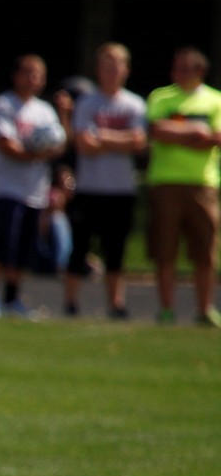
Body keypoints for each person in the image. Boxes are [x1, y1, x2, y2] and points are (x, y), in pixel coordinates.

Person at [55, 43, 146, 319]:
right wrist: (121, 139)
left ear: (126, 70)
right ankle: (70, 303)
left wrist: (103, 137)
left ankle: (116, 303)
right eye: (106, 66)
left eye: (116, 66)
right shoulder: (87, 103)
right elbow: (84, 144)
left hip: (120, 189)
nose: (111, 72)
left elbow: (139, 142)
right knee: (79, 247)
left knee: (115, 251)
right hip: (89, 188)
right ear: (98, 70)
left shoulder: (134, 104)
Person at [0, 54, 68, 319]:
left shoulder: (45, 111)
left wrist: (65, 115)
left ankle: (11, 299)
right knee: (4, 244)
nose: (33, 79)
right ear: (16, 75)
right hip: (8, 188)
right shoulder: (3, 105)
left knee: (22, 249)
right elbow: (6, 143)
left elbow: (59, 144)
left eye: (38, 74)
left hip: (35, 191)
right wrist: (35, 153)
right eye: (28, 73)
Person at [145, 47, 221, 327]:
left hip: (203, 184)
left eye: (185, 69)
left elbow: (216, 136)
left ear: (200, 71)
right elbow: (157, 130)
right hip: (165, 182)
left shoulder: (215, 100)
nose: (178, 73)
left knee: (205, 251)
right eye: (176, 68)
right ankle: (166, 310)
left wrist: (179, 134)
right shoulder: (161, 96)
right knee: (165, 250)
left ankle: (204, 309)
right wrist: (195, 133)